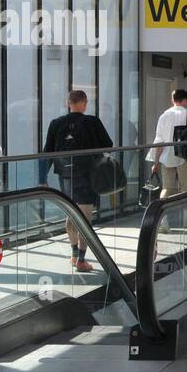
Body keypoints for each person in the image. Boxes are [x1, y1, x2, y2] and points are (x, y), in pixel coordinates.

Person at [40, 90, 113, 273]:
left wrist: (42, 178)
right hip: (88, 174)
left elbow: (47, 152)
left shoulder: (56, 124)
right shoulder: (92, 122)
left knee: (72, 213)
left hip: (65, 175)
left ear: (68, 103)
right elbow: (108, 144)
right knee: (85, 215)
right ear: (84, 103)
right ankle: (81, 259)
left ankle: (73, 254)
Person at [146, 88, 187, 198]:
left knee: (167, 189)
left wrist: (156, 162)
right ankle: (184, 214)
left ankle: (164, 214)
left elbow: (159, 141)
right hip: (186, 156)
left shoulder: (164, 116)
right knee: (185, 189)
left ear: (172, 100)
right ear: (185, 100)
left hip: (167, 156)